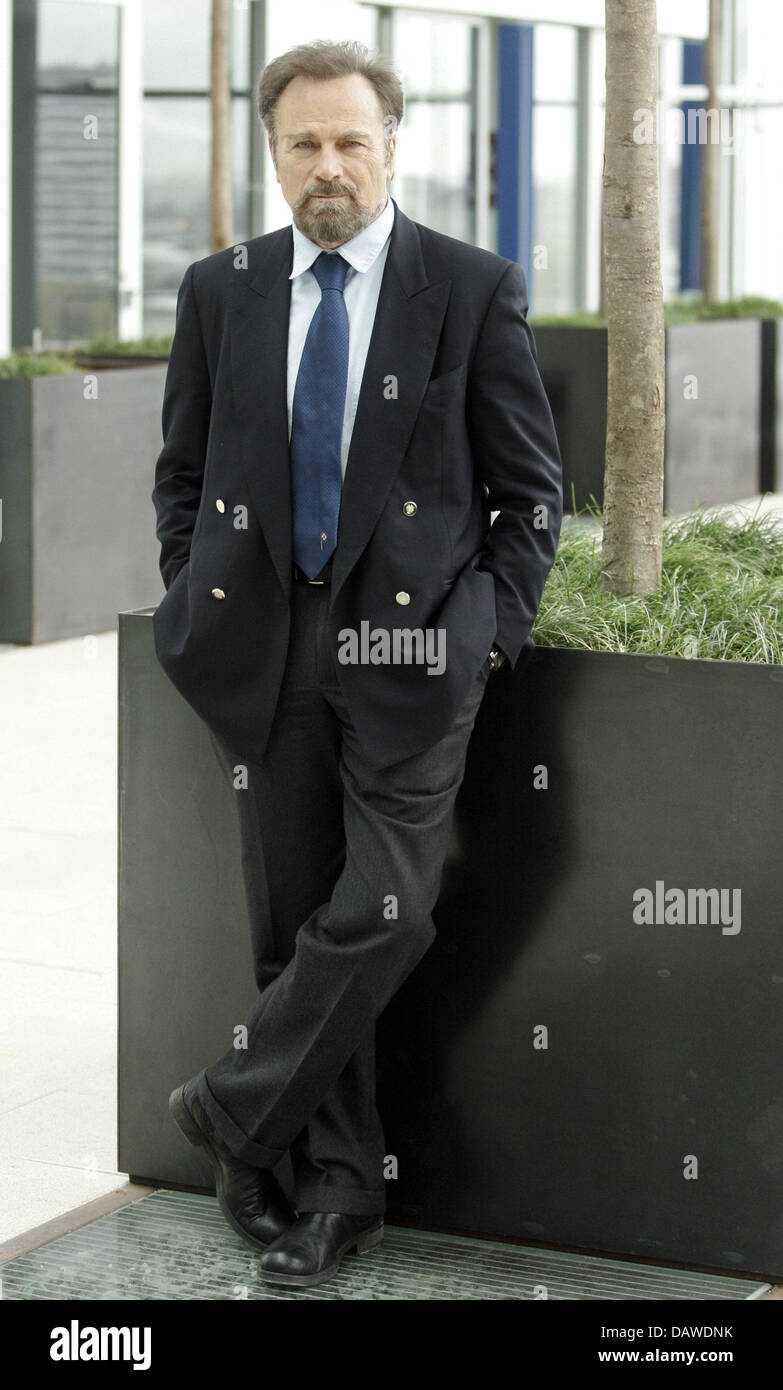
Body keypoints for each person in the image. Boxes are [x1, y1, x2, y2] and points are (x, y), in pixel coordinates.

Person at [151, 38, 562, 1289]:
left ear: (394, 144)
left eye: (350, 141)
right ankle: (329, 1193)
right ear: (272, 151)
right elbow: (181, 476)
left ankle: (230, 1108)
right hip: (258, 654)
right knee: (291, 929)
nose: (326, 166)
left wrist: (480, 634)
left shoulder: (469, 286)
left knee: (386, 909)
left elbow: (529, 496)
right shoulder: (221, 288)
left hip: (412, 656)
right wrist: (190, 592)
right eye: (302, 144)